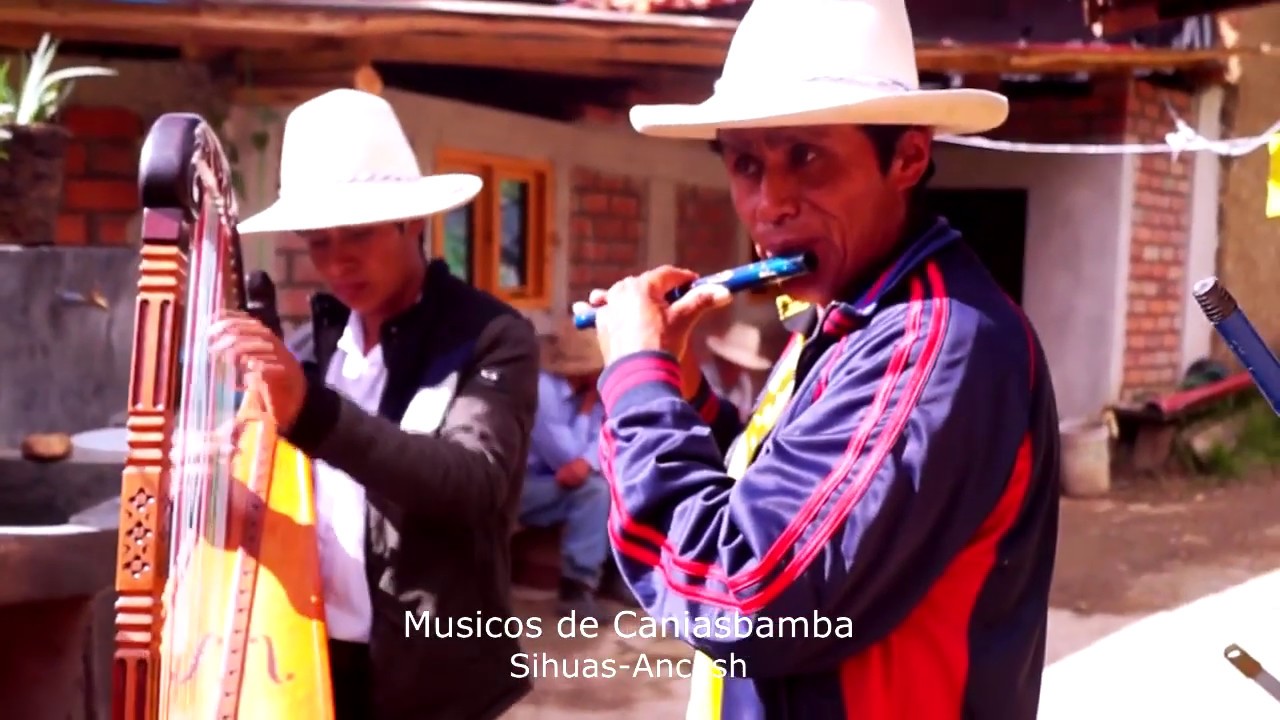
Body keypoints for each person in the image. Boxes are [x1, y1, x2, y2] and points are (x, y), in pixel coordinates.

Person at [575, 0, 1062, 718]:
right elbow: (792, 499)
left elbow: (744, 594)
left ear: (908, 157)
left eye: (807, 157)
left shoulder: (929, 342)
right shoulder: (851, 310)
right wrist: (682, 394)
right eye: (745, 164)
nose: (770, 204)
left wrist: (638, 389)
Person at [208, 89, 540, 720]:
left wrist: (312, 412)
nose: (338, 262)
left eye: (357, 233)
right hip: (307, 655)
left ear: (412, 222)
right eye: (318, 241)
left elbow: (473, 482)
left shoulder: (491, 336)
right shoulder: (312, 348)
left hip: (432, 678)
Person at [519, 318, 611, 618]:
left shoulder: (590, 392)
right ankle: (576, 586)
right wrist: (586, 419)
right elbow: (567, 458)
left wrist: (587, 461)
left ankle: (613, 575)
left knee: (619, 482)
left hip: (556, 483)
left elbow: (605, 439)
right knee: (595, 492)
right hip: (519, 486)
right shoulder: (542, 392)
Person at [700, 321, 772, 421]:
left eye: (741, 366)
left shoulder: (743, 383)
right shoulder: (702, 378)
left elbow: (744, 415)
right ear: (721, 360)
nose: (738, 370)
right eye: (734, 365)